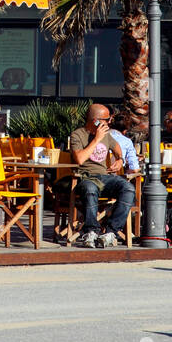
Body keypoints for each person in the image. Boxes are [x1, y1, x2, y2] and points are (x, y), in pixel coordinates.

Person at [67, 103, 131, 248]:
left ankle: (111, 232)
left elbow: (117, 148)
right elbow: (79, 159)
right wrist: (96, 139)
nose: (110, 122)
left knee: (128, 188)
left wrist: (120, 160)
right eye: (107, 119)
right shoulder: (78, 135)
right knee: (90, 189)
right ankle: (91, 231)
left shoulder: (107, 136)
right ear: (95, 121)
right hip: (86, 176)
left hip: (105, 177)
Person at [108, 109, 141, 175]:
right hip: (116, 178)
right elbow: (134, 169)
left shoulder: (99, 136)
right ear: (125, 130)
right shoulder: (126, 141)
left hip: (98, 175)